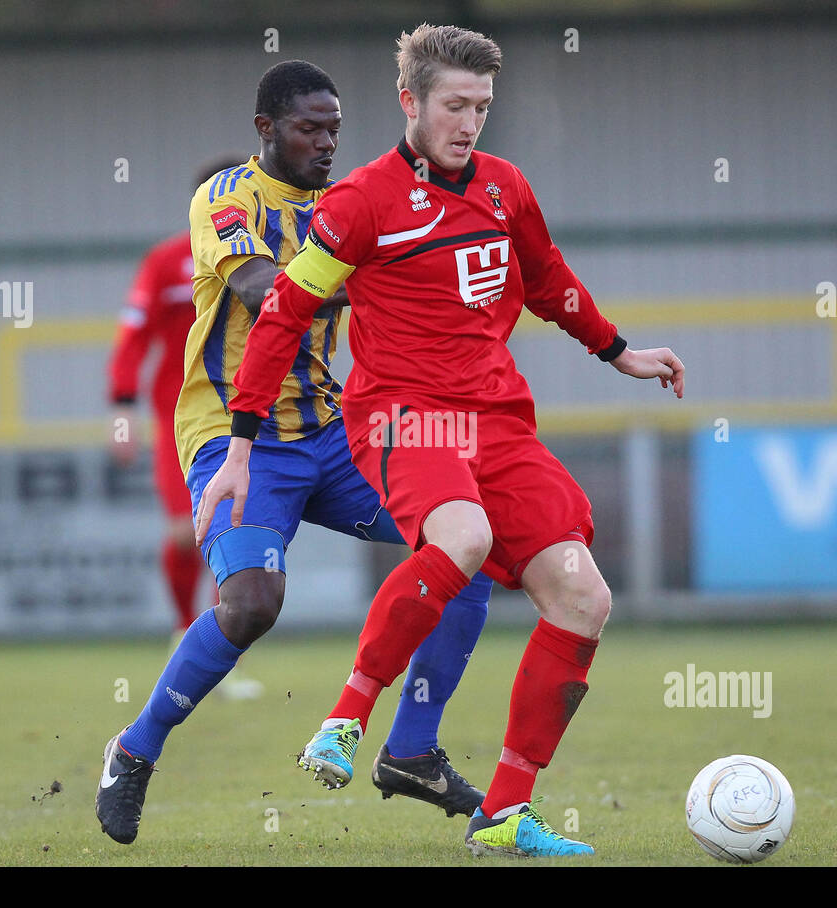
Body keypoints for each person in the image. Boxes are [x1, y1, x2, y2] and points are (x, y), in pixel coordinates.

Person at [205, 24, 685, 858]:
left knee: (584, 597)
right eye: (455, 106)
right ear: (411, 104)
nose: (470, 123)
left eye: (483, 107)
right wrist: (242, 442)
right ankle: (348, 719)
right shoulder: (359, 203)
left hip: (496, 419)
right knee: (464, 535)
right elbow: (281, 313)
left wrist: (618, 350)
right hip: (400, 411)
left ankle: (504, 816)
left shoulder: (505, 189)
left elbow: (547, 279)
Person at [96, 60, 493, 845]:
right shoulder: (225, 199)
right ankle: (134, 750)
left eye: (336, 129)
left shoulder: (345, 203)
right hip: (232, 439)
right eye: (310, 128)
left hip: (331, 432)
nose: (326, 143)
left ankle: (412, 746)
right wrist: (388, 282)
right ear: (266, 129)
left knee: (471, 543)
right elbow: (260, 292)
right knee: (251, 606)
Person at [106, 155, 264, 700]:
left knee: (234, 531)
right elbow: (132, 338)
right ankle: (183, 631)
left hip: (250, 412)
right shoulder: (165, 262)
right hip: (182, 418)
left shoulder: (265, 260)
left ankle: (222, 653)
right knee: (184, 533)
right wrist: (121, 408)